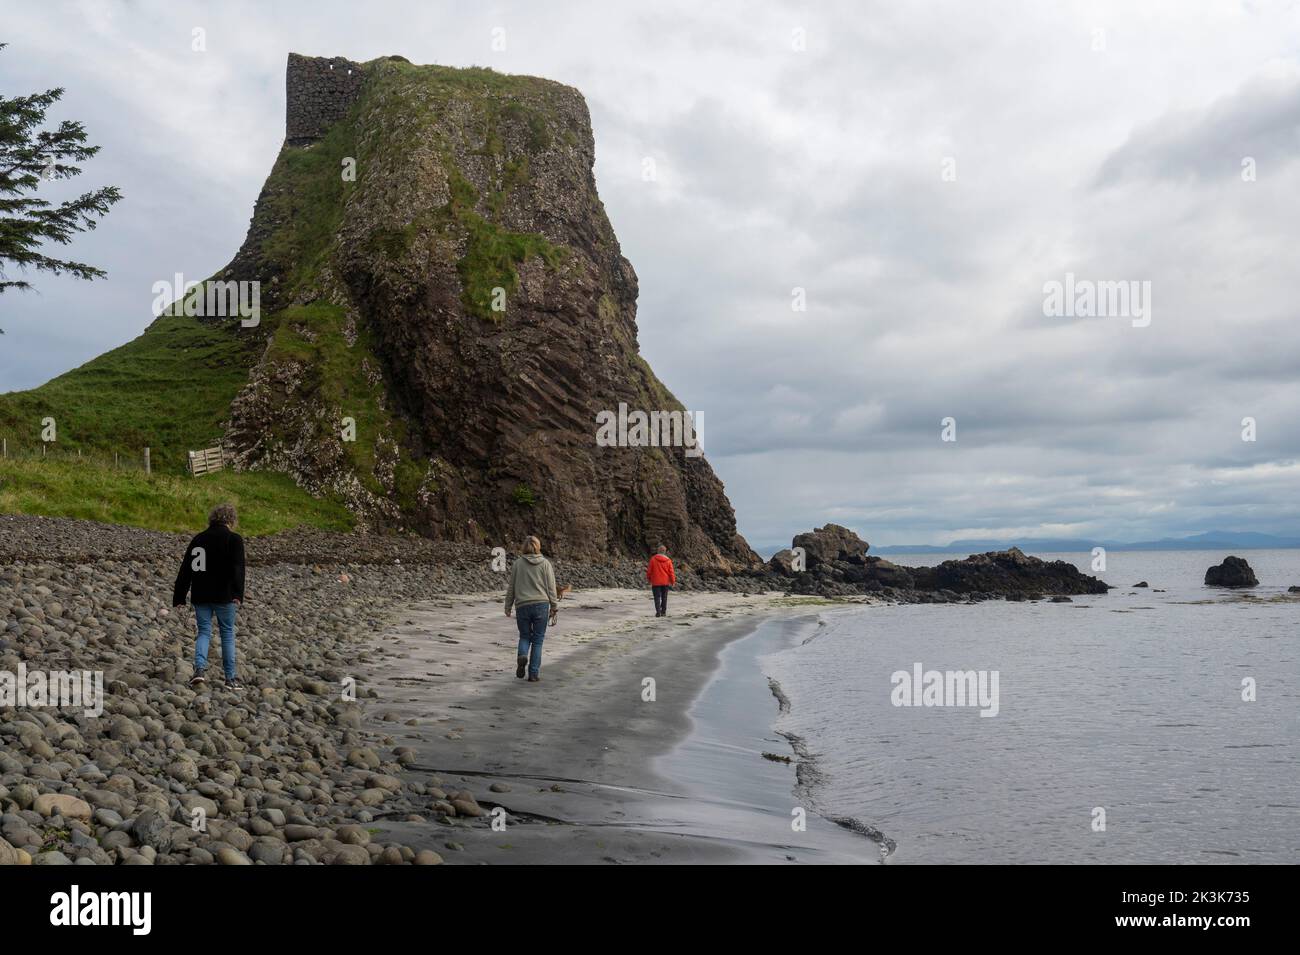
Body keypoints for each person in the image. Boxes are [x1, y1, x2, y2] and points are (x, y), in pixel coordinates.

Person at [173, 503, 246, 689]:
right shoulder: (234, 540)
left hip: (201, 594)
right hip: (225, 595)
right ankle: (230, 679)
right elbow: (238, 569)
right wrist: (238, 593)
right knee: (227, 634)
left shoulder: (198, 539)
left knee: (204, 632)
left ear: (212, 519)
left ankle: (199, 670)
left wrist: (180, 596)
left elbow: (186, 569)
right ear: (231, 520)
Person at [504, 536, 559, 682]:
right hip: (541, 604)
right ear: (538, 546)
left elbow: (512, 587)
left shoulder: (517, 564)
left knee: (525, 636)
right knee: (538, 640)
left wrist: (508, 606)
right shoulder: (545, 564)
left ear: (525, 547)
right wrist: (554, 606)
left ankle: (522, 655)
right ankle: (533, 674)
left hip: (522, 605)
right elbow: (551, 588)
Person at [647, 543, 676, 617]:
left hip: (656, 582)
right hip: (665, 582)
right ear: (665, 552)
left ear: (658, 551)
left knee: (657, 597)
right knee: (664, 597)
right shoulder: (668, 560)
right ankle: (663, 612)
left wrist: (649, 579)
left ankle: (658, 612)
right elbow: (671, 572)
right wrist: (673, 581)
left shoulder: (653, 559)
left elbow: (649, 571)